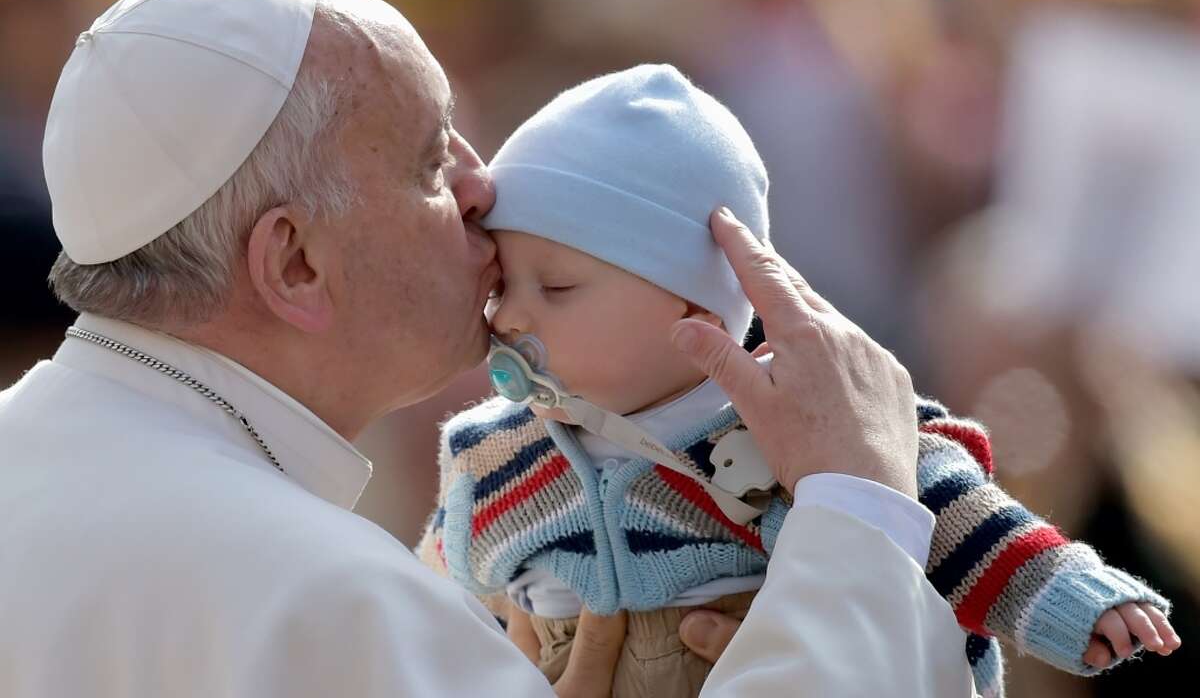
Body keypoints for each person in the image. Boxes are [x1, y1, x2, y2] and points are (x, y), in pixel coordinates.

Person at [1, 0, 977, 697]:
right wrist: (861, 513)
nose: (483, 186)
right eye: (432, 160)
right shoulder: (335, 607)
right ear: (294, 261)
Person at [417, 64, 1179, 697]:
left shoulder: (804, 419)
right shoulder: (491, 453)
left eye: (555, 288)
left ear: (690, 307)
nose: (511, 315)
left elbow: (956, 517)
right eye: (503, 283)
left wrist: (1074, 599)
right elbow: (427, 602)